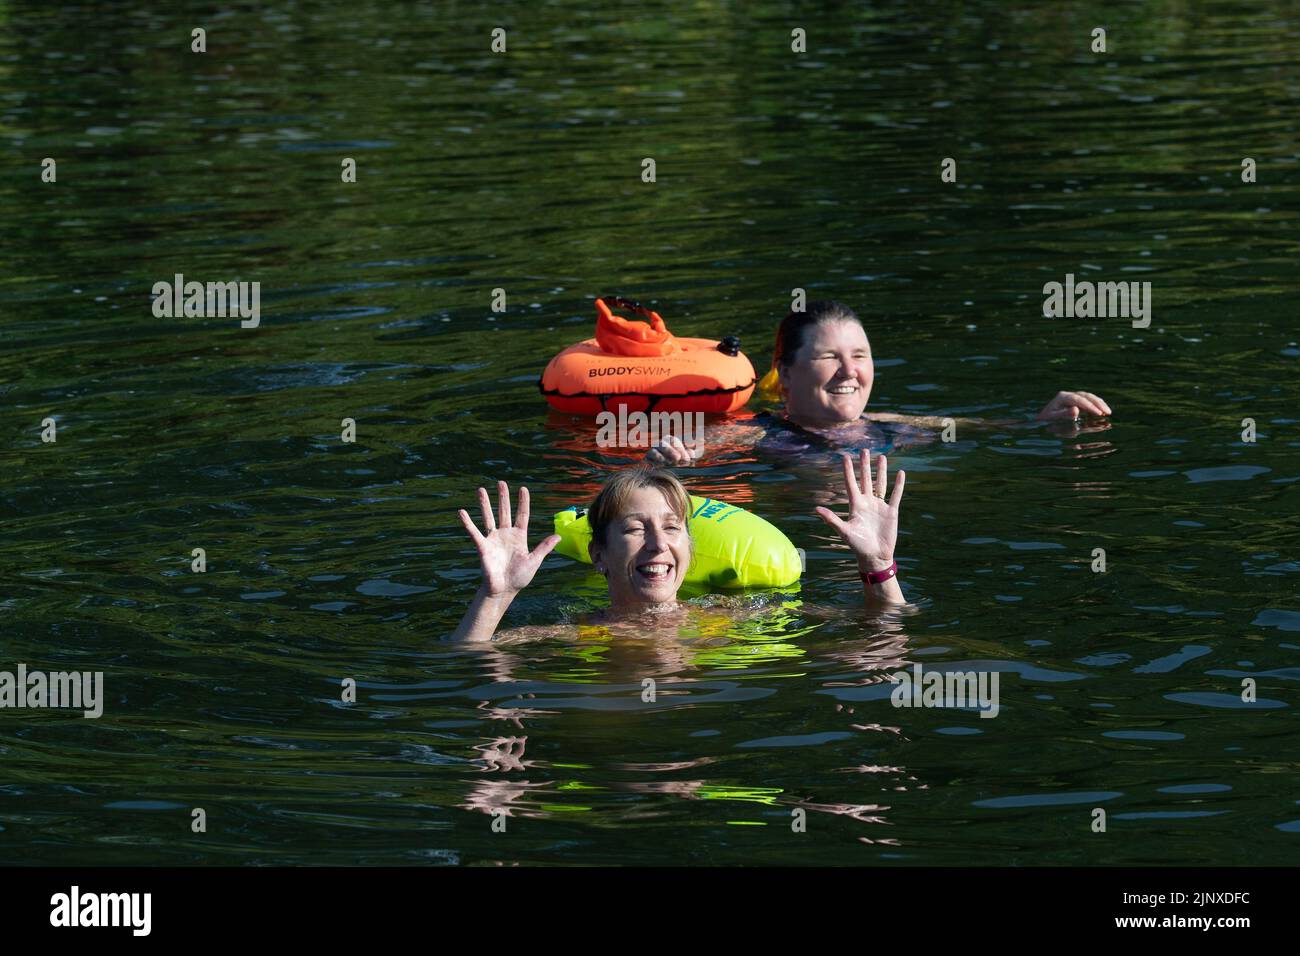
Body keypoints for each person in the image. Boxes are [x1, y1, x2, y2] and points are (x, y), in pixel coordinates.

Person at [449, 453, 906, 642]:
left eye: (672, 528)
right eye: (634, 530)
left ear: (688, 543)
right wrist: (496, 596)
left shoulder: (732, 616)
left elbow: (884, 635)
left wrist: (878, 566)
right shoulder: (577, 633)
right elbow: (466, 667)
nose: (657, 545)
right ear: (599, 554)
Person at [646, 299, 1112, 465]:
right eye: (830, 357)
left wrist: (1044, 421)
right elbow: (679, 454)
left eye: (861, 356)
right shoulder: (749, 433)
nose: (851, 372)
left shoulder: (890, 422)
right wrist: (671, 461)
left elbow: (987, 428)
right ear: (786, 374)